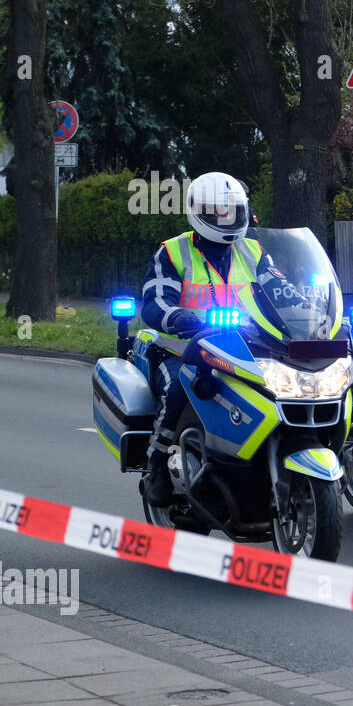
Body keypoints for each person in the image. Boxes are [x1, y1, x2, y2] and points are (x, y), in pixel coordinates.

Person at [140, 172, 278, 506]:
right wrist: (178, 316)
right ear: (199, 211)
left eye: (231, 210)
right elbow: (154, 300)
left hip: (243, 350)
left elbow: (279, 290)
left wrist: (308, 312)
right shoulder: (173, 252)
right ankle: (157, 463)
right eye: (217, 210)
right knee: (180, 387)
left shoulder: (254, 251)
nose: (225, 217)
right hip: (182, 350)